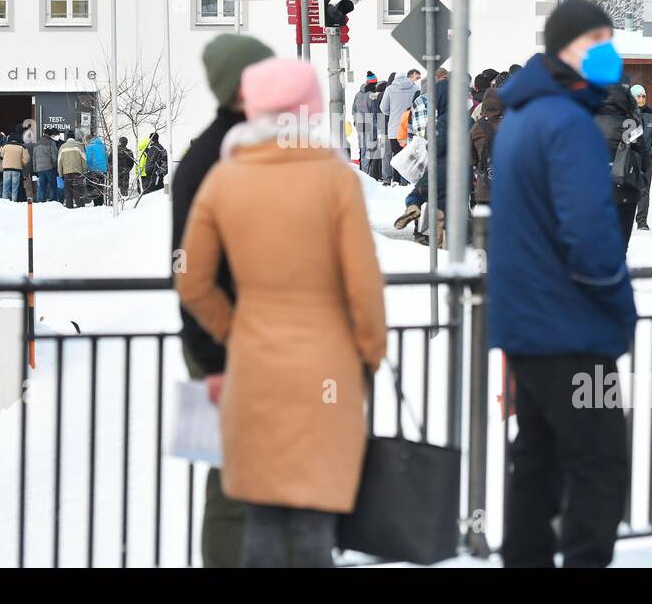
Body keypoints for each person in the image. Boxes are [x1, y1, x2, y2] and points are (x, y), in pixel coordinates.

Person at [176, 57, 387, 568]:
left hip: (255, 364)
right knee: (315, 514)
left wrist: (234, 327)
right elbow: (363, 282)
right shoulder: (335, 180)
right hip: (328, 368)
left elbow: (191, 277)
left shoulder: (224, 181)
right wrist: (369, 350)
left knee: (263, 514)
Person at [487, 0, 636, 568]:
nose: (609, 53)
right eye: (598, 41)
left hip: (529, 326)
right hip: (573, 329)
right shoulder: (567, 124)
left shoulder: (524, 117)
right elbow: (591, 238)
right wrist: (618, 310)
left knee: (538, 461)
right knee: (598, 467)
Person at [171, 33, 274, 567]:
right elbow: (192, 272)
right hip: (223, 343)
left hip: (229, 340)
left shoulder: (232, 147)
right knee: (233, 482)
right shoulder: (217, 156)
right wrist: (224, 346)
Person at [393, 77, 452, 246]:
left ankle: (416, 215)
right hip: (463, 169)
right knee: (446, 200)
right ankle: (444, 237)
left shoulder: (437, 121)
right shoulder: (465, 118)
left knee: (419, 194)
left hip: (437, 166)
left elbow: (435, 146)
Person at [594, 83, 644, 248]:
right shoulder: (631, 121)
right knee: (621, 245)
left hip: (595, 189)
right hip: (625, 187)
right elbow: (642, 152)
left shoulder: (588, 118)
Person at [379, 69, 420, 185]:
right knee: (409, 155)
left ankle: (397, 180)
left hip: (394, 128)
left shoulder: (390, 89)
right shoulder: (415, 88)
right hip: (411, 127)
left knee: (397, 155)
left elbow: (383, 108)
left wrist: (391, 113)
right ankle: (406, 180)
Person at [471, 73, 507, 205]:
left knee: (485, 224)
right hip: (509, 187)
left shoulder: (477, 127)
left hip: (484, 188)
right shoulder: (512, 124)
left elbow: (470, 158)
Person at [630, 84, 652, 231]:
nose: (641, 99)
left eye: (643, 96)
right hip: (628, 158)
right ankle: (624, 219)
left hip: (646, 158)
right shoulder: (625, 112)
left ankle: (642, 221)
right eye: (638, 96)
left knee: (644, 190)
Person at [352, 72, 378, 173]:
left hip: (359, 125)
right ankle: (366, 173)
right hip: (369, 125)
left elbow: (353, 110)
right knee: (369, 149)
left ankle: (363, 171)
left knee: (362, 148)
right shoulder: (372, 95)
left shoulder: (357, 95)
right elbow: (374, 112)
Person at [57, 130, 89, 209]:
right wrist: (84, 171)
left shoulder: (62, 147)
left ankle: (69, 207)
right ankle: (79, 207)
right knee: (77, 191)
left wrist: (60, 174)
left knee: (68, 191)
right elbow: (84, 160)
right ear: (74, 137)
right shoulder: (79, 146)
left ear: (67, 137)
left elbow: (59, 162)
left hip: (66, 173)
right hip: (78, 172)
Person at [31, 128, 59, 203]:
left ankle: (41, 202)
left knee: (41, 187)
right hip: (49, 167)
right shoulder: (51, 142)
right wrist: (55, 166)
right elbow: (54, 156)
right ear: (50, 134)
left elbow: (34, 158)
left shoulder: (37, 143)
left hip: (39, 169)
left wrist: (35, 170)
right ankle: (53, 202)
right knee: (53, 187)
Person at [0, 130, 29, 201]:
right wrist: (21, 163)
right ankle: (14, 202)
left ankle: (4, 202)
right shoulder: (21, 147)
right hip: (16, 170)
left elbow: (1, 154)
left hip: (6, 170)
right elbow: (27, 158)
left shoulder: (5, 146)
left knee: (5, 188)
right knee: (15, 188)